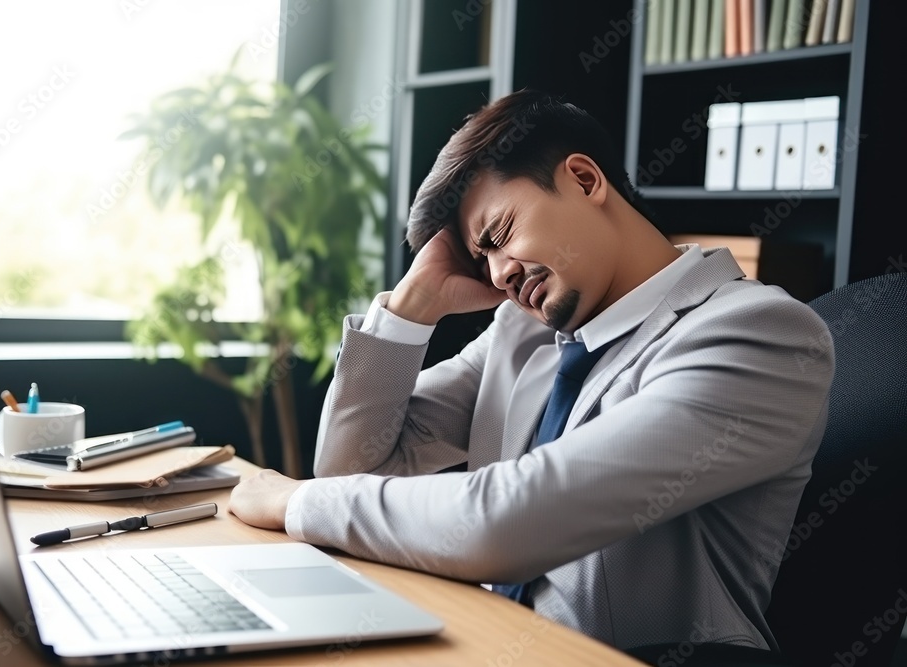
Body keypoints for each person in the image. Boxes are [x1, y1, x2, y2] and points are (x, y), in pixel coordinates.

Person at [228, 89, 836, 654]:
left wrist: (297, 503)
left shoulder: (758, 334)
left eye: (499, 235)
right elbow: (352, 465)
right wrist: (412, 308)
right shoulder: (522, 334)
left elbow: (511, 522)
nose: (496, 276)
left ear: (583, 178)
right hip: (482, 641)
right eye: (480, 258)